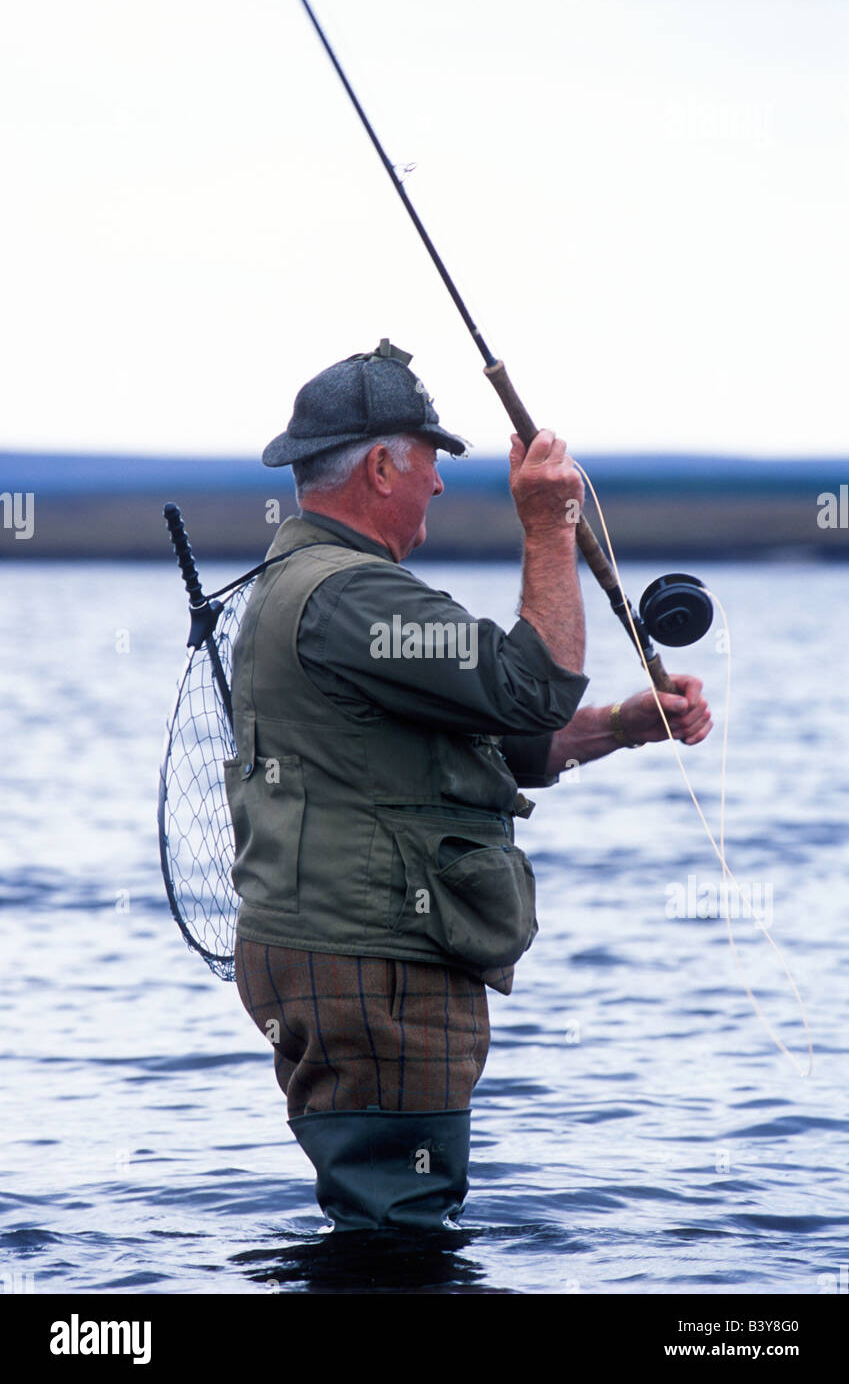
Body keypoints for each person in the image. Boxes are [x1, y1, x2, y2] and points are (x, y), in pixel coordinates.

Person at [225, 339, 712, 1232]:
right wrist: (547, 526)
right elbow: (531, 682)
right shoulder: (355, 599)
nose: (441, 486)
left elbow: (490, 730)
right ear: (380, 466)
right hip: (375, 962)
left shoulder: (312, 587)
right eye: (429, 463)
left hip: (339, 951)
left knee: (379, 1217)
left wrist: (616, 726)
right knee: (398, 1228)